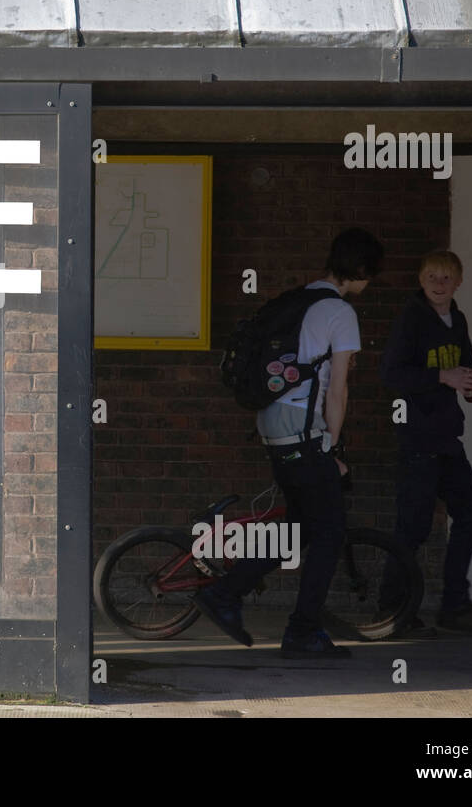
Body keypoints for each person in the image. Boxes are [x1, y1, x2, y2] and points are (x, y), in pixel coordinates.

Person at [194, 227, 384, 658]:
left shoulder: (299, 299)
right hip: (302, 430)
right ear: (360, 271)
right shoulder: (340, 312)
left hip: (273, 424)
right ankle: (300, 630)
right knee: (330, 533)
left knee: (299, 529)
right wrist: (332, 448)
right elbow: (338, 390)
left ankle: (228, 594)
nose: (368, 285)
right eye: (370, 276)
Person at [378, 250, 472, 634]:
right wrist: (443, 377)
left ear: (458, 282)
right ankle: (392, 611)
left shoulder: (456, 318)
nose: (438, 285)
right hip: (417, 435)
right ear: (421, 280)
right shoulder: (412, 318)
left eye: (446, 278)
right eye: (431, 278)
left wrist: (470, 386)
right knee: (413, 526)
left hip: (446, 435)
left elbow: (465, 367)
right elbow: (391, 373)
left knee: (471, 517)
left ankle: (454, 605)